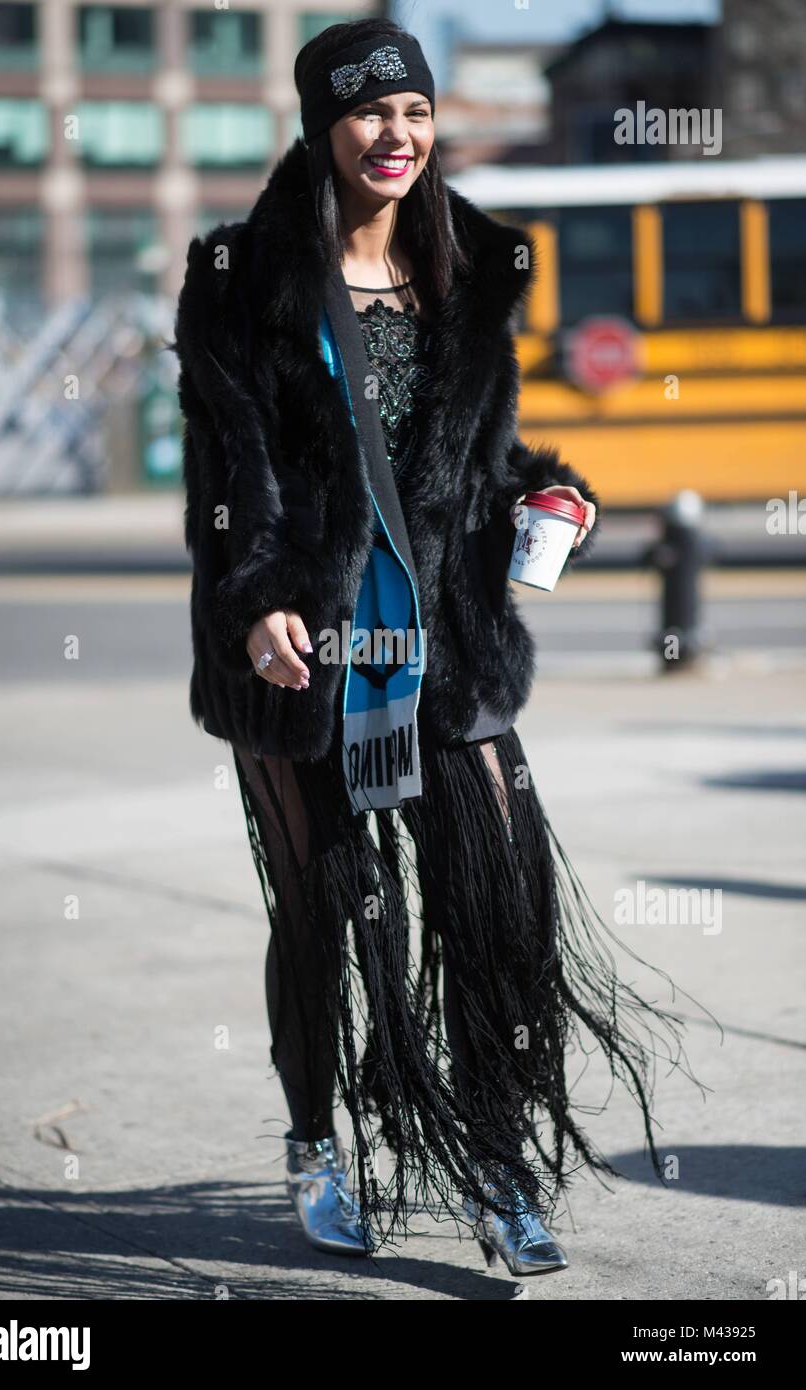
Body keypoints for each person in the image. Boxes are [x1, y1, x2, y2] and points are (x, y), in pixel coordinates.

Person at [171, 17, 707, 1274]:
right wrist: (255, 600)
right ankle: (317, 1144)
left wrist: (548, 497)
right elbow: (226, 480)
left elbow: (478, 465)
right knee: (327, 914)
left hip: (447, 645)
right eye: (368, 112)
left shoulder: (467, 271)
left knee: (496, 902)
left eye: (414, 111)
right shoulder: (241, 276)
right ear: (323, 126)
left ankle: (496, 1160)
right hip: (306, 651)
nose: (395, 135)